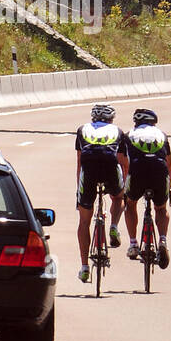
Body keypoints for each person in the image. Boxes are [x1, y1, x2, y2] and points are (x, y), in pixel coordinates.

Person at [74, 102, 128, 285]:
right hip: (110, 169)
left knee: (84, 220)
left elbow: (79, 161)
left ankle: (84, 268)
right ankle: (113, 225)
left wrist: (78, 189)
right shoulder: (118, 131)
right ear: (111, 118)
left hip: (88, 171)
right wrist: (124, 187)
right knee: (119, 196)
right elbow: (122, 161)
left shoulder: (82, 130)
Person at [122, 107, 171, 268]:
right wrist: (169, 185)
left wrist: (124, 184)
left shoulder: (128, 135)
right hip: (160, 171)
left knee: (130, 204)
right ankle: (163, 240)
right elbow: (168, 164)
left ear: (136, 122)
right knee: (161, 208)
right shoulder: (162, 135)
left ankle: (133, 244)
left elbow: (123, 163)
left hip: (137, 172)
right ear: (153, 123)